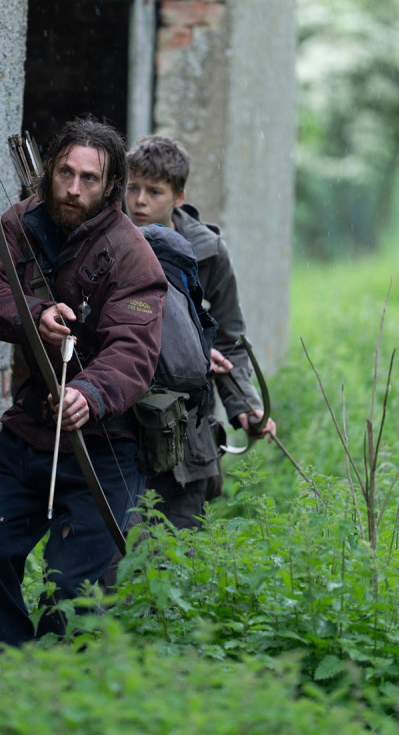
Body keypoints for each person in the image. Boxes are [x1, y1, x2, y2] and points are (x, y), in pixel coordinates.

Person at [0, 116, 168, 646]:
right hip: (30, 429)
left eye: (89, 179)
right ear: (50, 171)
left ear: (111, 186)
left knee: (70, 594)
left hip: (105, 447)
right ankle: (5, 682)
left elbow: (133, 350)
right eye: (65, 173)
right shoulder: (21, 223)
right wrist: (31, 313)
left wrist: (88, 394)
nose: (73, 189)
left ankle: (55, 699)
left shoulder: (131, 254)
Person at [124, 134, 277, 529]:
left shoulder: (207, 253)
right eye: (133, 187)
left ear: (178, 195)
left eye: (154, 192)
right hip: (120, 415)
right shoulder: (109, 241)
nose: (140, 201)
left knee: (176, 552)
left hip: (187, 426)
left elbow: (229, 340)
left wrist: (247, 406)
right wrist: (185, 349)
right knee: (112, 561)